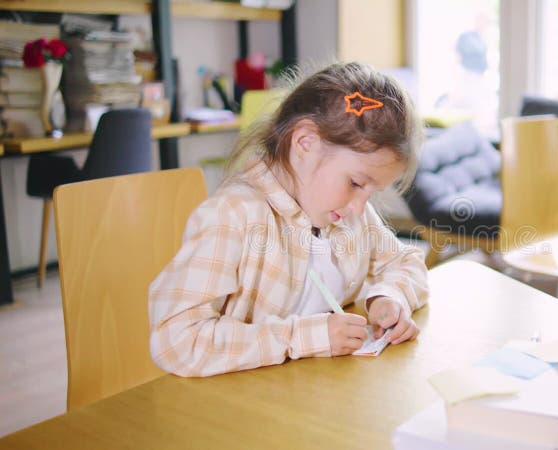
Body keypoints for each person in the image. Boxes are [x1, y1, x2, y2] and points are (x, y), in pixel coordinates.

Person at [149, 62, 428, 377]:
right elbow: (176, 340)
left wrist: (388, 297)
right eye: (355, 183)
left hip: (317, 392)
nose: (360, 207)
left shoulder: (347, 212)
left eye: (372, 192)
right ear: (305, 143)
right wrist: (303, 337)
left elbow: (406, 261)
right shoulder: (232, 216)